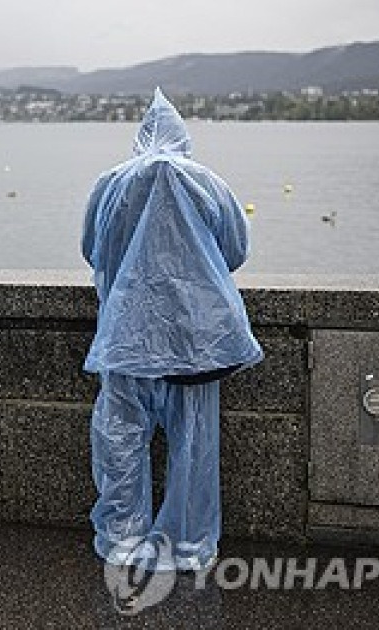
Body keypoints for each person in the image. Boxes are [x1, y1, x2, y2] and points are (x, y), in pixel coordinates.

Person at [81, 88, 263, 571]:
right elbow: (234, 249)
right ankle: (188, 545)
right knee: (193, 446)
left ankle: (122, 539)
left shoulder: (111, 184)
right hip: (197, 339)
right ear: (184, 139)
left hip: (126, 334)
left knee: (120, 441)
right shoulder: (207, 182)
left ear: (139, 138)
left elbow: (93, 249)